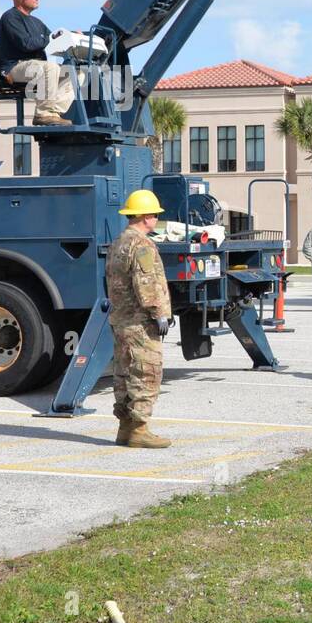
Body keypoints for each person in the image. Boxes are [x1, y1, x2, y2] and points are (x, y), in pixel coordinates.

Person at [106, 189, 174, 449]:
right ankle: (140, 430)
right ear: (146, 216)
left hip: (120, 320)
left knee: (124, 373)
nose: (156, 218)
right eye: (155, 214)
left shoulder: (119, 242)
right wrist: (159, 314)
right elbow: (147, 284)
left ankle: (125, 428)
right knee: (146, 373)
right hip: (139, 323)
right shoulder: (142, 244)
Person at [0, 0, 79, 127]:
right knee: (50, 68)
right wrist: (49, 38)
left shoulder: (37, 22)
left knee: (78, 72)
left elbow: (53, 38)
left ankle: (53, 111)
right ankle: (43, 113)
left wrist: (72, 35)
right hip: (15, 67)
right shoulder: (10, 18)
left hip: (35, 67)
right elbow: (26, 44)